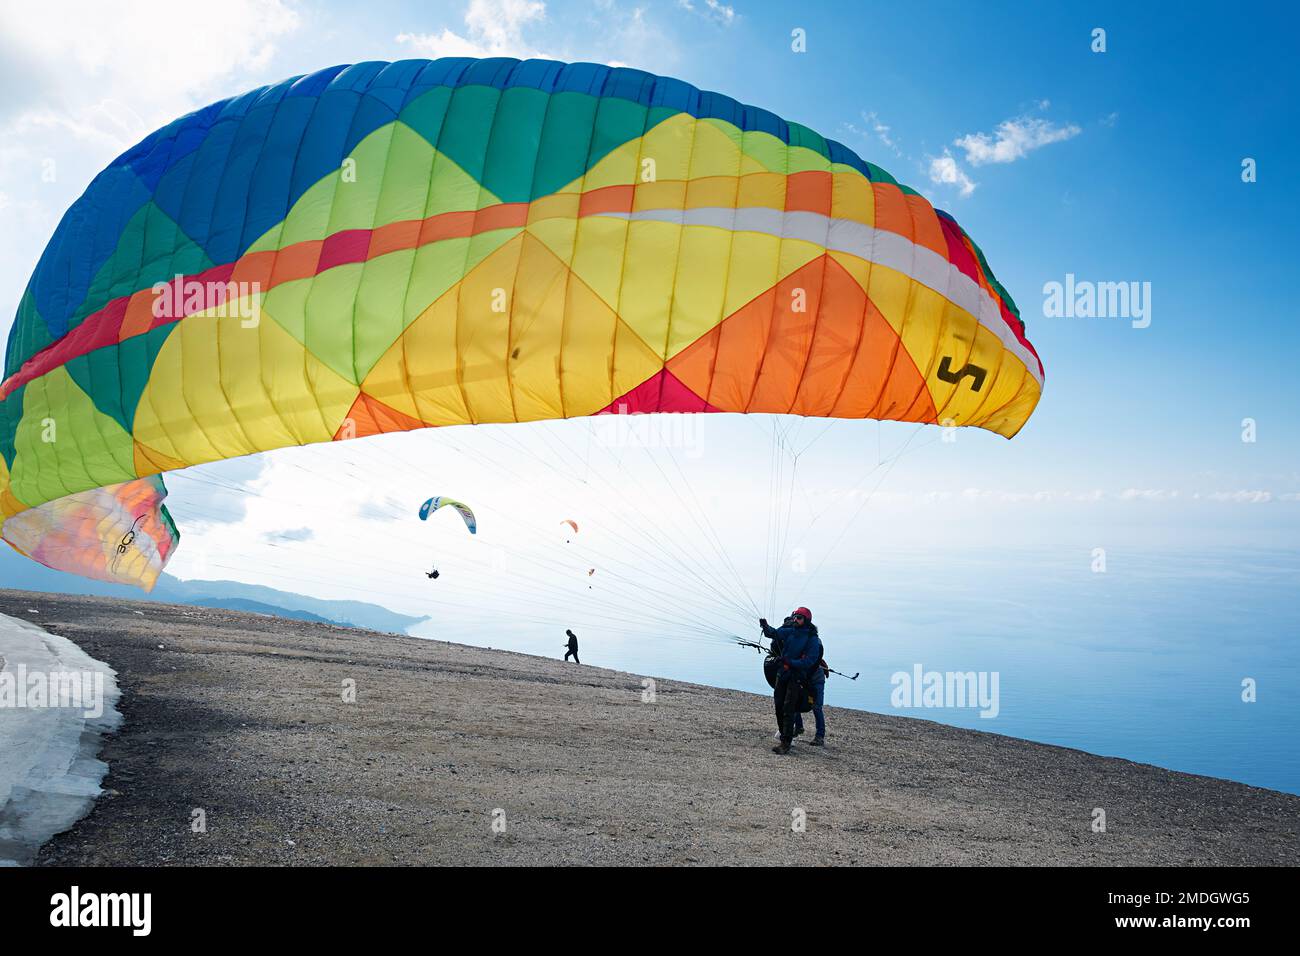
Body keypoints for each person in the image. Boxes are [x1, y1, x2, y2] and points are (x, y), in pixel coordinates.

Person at [759, 607, 822, 754]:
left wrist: (790, 662)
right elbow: (774, 634)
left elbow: (810, 661)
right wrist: (765, 626)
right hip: (783, 674)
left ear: (806, 620)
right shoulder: (791, 631)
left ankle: (786, 743)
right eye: (795, 617)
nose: (796, 620)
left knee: (789, 708)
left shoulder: (811, 639)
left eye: (799, 618)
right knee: (779, 706)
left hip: (796, 677)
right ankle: (783, 736)